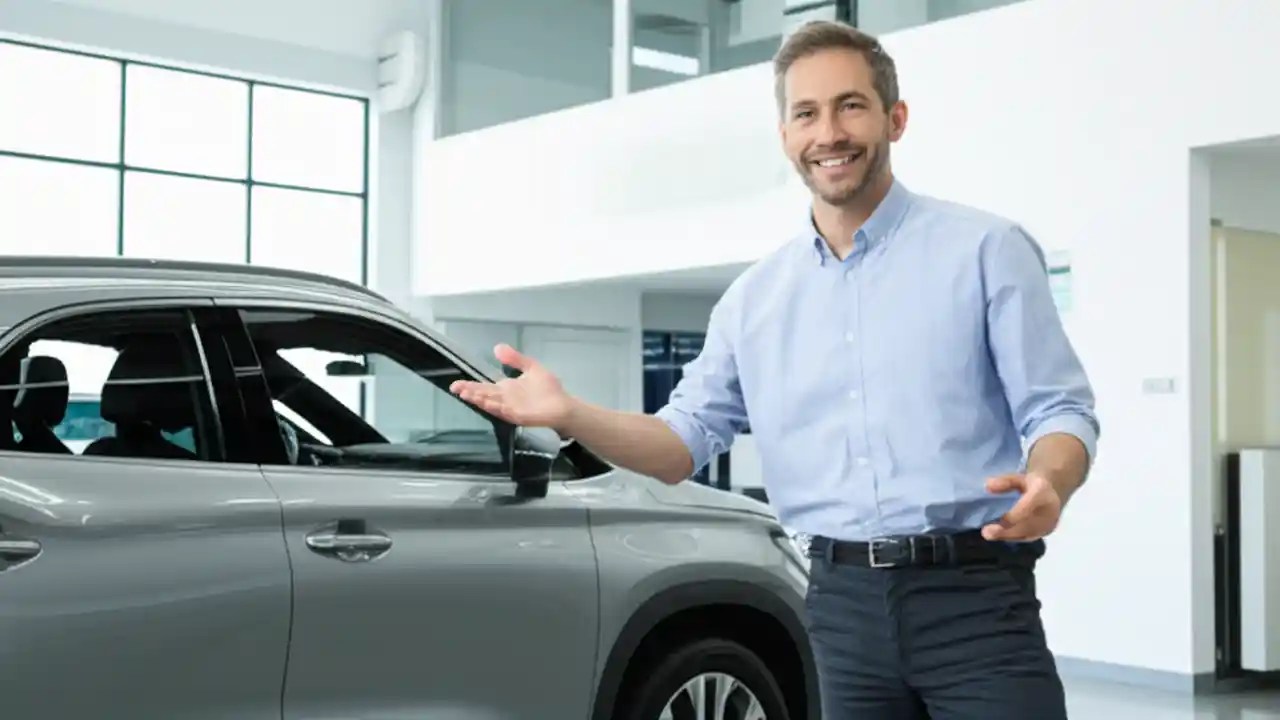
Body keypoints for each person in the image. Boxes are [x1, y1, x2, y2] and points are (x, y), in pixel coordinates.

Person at [450, 19, 1097, 720]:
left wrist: (1050, 481)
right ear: (786, 135)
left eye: (851, 105)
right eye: (806, 113)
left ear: (895, 118)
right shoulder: (755, 300)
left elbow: (1059, 411)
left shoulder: (986, 250)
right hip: (841, 608)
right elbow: (678, 447)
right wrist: (572, 414)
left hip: (975, 601)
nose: (829, 133)